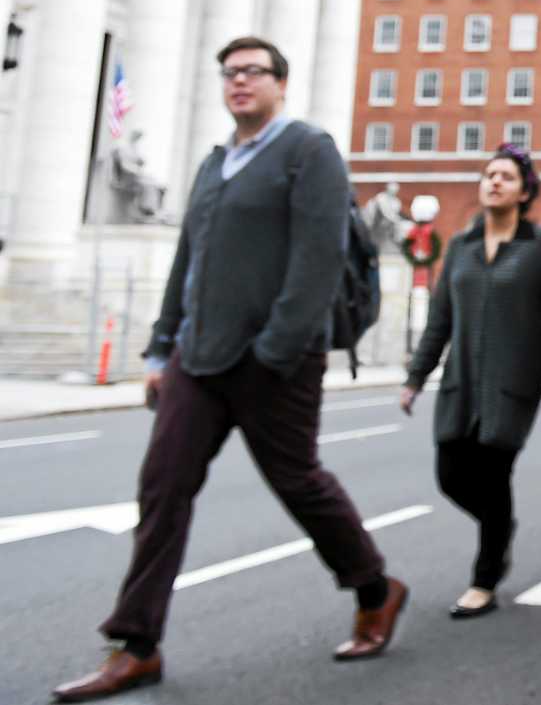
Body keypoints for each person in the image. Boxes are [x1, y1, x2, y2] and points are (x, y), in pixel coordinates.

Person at [54, 38, 407, 702]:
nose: (239, 81)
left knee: (298, 481)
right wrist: (163, 349)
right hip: (199, 355)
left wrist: (275, 349)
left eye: (254, 72)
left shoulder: (308, 151)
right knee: (162, 488)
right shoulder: (215, 164)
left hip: (275, 360)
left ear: (281, 83)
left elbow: (316, 261)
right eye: (230, 73)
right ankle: (136, 644)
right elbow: (189, 261)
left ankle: (374, 586)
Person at [398, 147, 541, 617]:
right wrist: (416, 377)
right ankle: (500, 528)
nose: (494, 182)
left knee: (494, 474)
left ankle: (484, 580)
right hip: (462, 381)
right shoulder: (461, 247)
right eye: (489, 175)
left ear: (524, 190)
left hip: (514, 383)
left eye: (506, 177)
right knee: (450, 475)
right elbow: (440, 319)